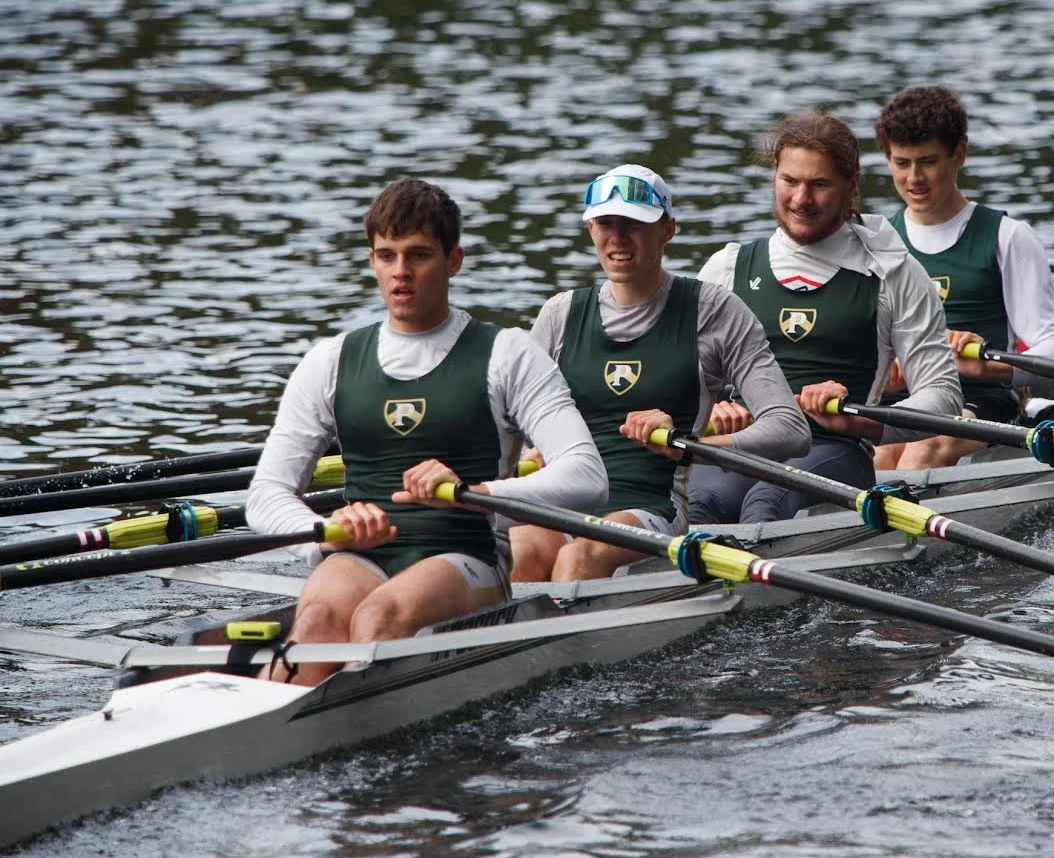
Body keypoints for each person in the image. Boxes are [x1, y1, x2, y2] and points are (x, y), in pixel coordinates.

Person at [246, 177, 608, 686]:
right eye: (387, 256)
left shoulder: (507, 354)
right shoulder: (329, 361)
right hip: (361, 554)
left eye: (418, 255)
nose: (401, 271)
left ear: (453, 261)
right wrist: (322, 536)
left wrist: (476, 493)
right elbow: (265, 493)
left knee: (378, 619)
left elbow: (587, 476)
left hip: (465, 555)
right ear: (372, 261)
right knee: (315, 623)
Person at [509, 164, 810, 582]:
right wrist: (529, 451)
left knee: (580, 557)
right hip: (566, 496)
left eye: (634, 224)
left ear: (667, 229)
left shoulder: (714, 310)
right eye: (605, 224)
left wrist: (689, 447)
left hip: (653, 504)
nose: (618, 238)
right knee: (518, 552)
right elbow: (513, 434)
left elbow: (790, 429)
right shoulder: (560, 315)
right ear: (591, 229)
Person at [688, 113, 962, 525]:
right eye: (789, 181)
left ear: (851, 186)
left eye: (819, 185)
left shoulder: (894, 274)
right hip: (742, 442)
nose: (801, 199)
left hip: (835, 449)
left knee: (766, 501)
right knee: (699, 503)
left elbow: (942, 395)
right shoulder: (727, 268)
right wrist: (709, 413)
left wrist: (861, 420)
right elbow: (683, 387)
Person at [870, 85, 1054, 471]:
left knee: (927, 443)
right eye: (902, 163)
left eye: (928, 162)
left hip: (982, 399)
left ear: (960, 155)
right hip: (903, 399)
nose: (914, 178)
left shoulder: (1006, 237)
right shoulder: (875, 244)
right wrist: (882, 371)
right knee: (878, 453)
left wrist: (994, 368)